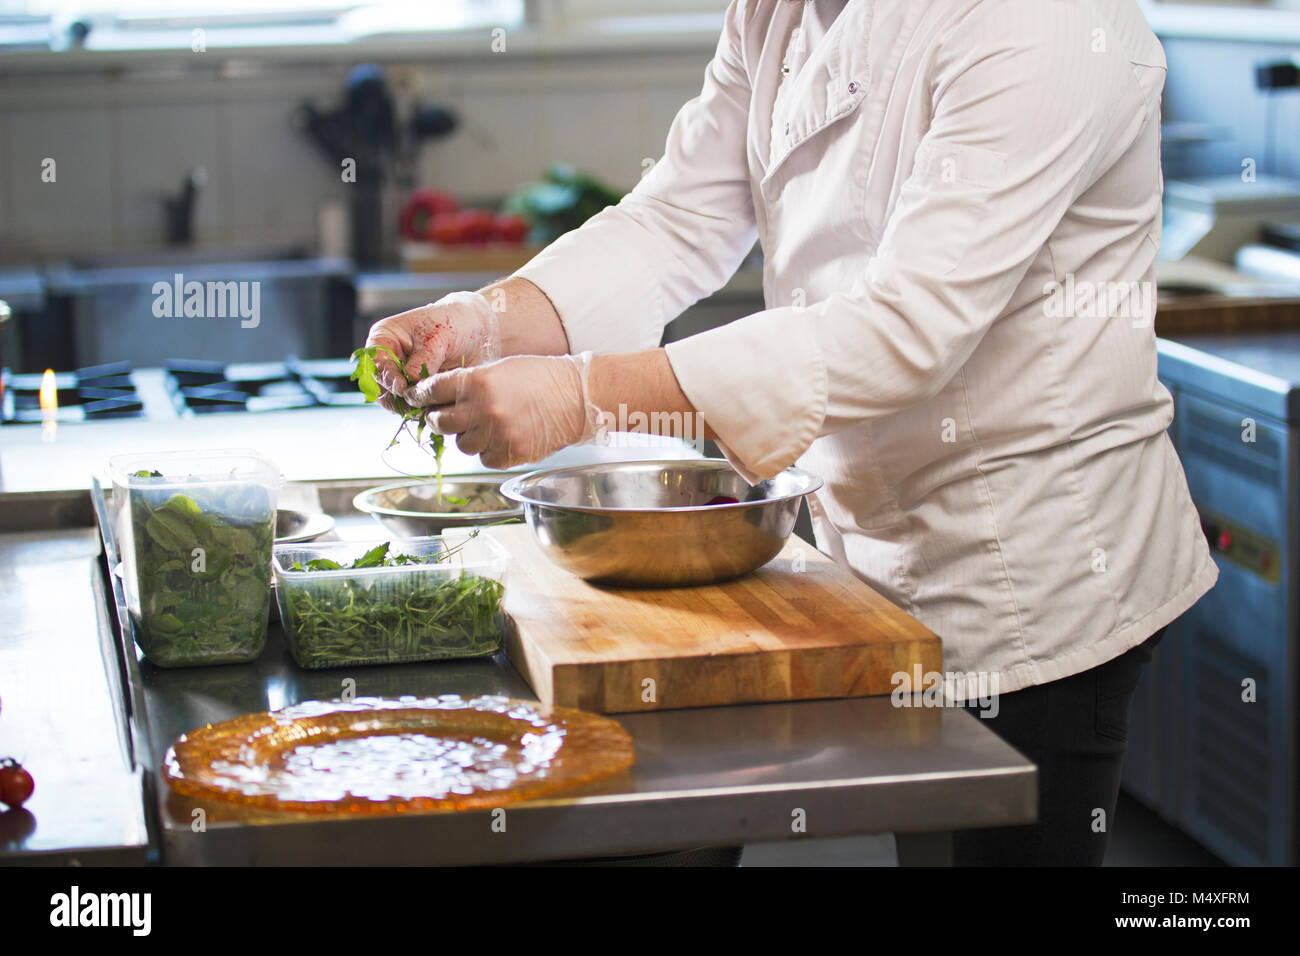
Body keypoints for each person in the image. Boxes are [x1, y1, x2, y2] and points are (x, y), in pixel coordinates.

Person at [365, 0, 1217, 865]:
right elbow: (676, 220)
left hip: (1031, 569)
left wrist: (588, 396)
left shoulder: (1046, 22)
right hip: (875, 547)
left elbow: (906, 328)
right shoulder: (779, 9)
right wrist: (488, 317)